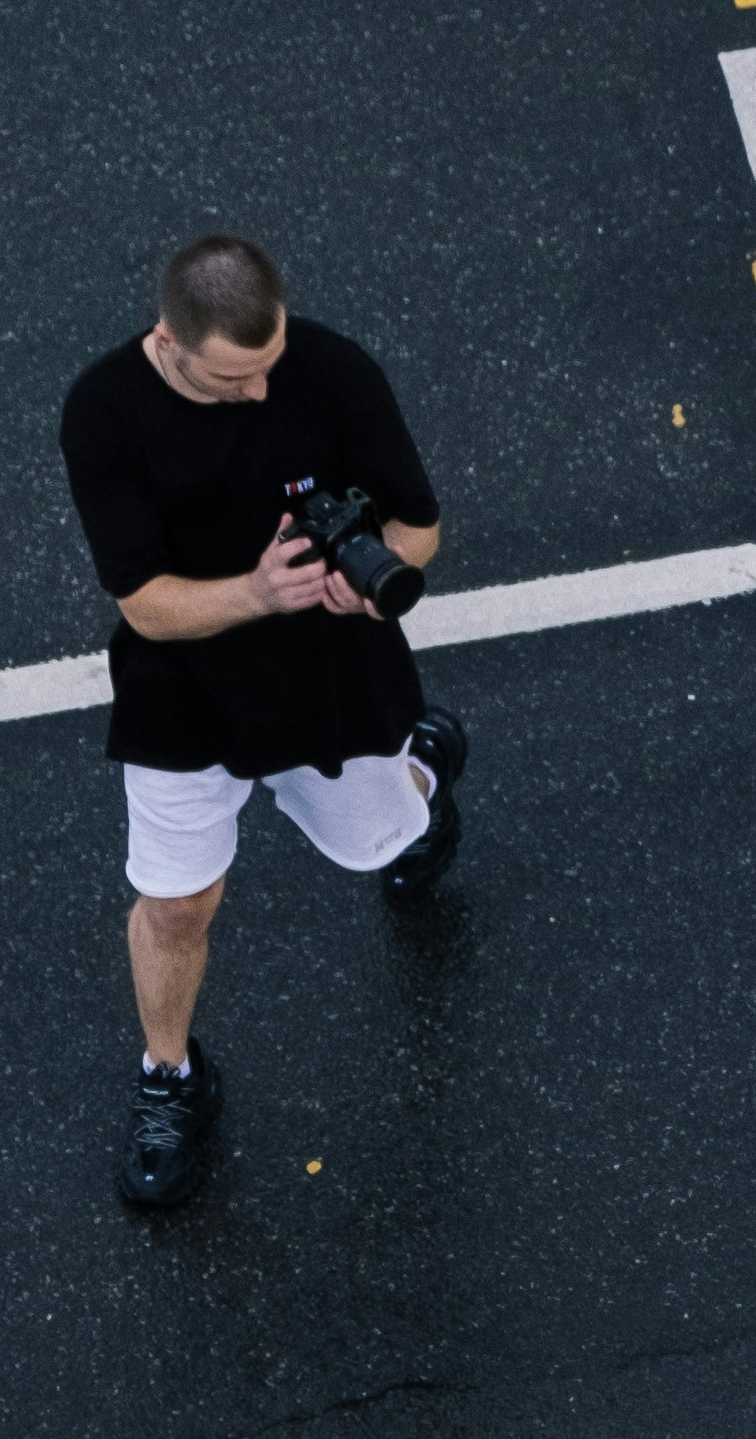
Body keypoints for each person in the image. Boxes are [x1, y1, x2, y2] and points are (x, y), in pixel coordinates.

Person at [58, 230, 470, 1215]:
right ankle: (170, 1078)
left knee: (382, 845)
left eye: (268, 366)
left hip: (327, 670)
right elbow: (147, 604)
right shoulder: (104, 411)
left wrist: (362, 586)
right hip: (181, 691)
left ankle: (423, 763)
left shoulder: (326, 370)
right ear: (168, 340)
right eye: (230, 380)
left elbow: (418, 526)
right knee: (172, 904)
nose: (257, 393)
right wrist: (257, 592)